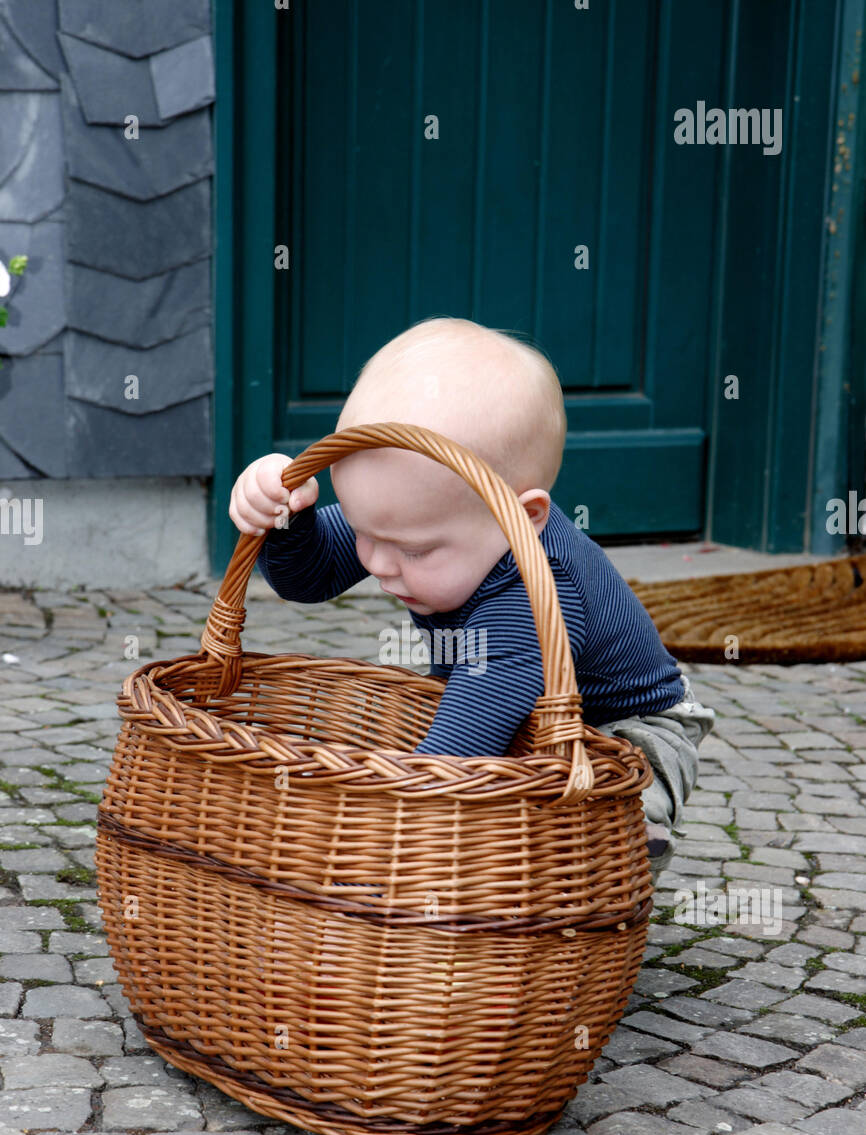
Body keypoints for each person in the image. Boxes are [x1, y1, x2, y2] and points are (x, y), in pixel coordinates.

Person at [229, 317, 714, 878]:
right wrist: (287, 519)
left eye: (414, 551)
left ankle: (616, 850)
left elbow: (457, 749)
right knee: (462, 739)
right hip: (501, 698)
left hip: (628, 720)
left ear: (522, 519)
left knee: (604, 795)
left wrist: (379, 829)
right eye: (363, 532)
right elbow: (307, 579)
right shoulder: (408, 517)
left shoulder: (535, 592)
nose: (377, 563)